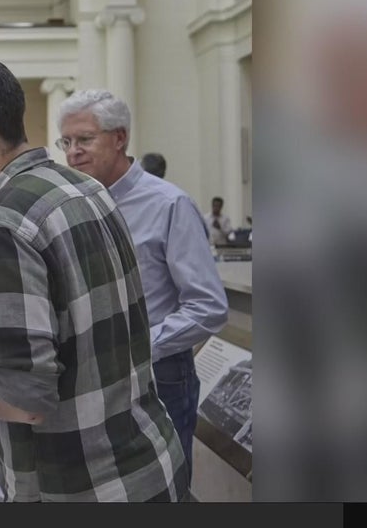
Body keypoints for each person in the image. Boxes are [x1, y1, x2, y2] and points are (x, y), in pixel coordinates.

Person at [0, 52, 186, 502]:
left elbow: (24, 397)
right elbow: (89, 328)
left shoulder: (0, 220)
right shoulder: (85, 189)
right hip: (152, 466)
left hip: (85, 489)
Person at [57, 89, 229, 489]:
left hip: (159, 372)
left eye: (84, 139)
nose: (73, 152)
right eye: (66, 142)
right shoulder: (75, 204)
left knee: (162, 486)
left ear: (120, 138)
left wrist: (137, 347)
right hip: (90, 374)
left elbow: (208, 306)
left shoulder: (169, 205)